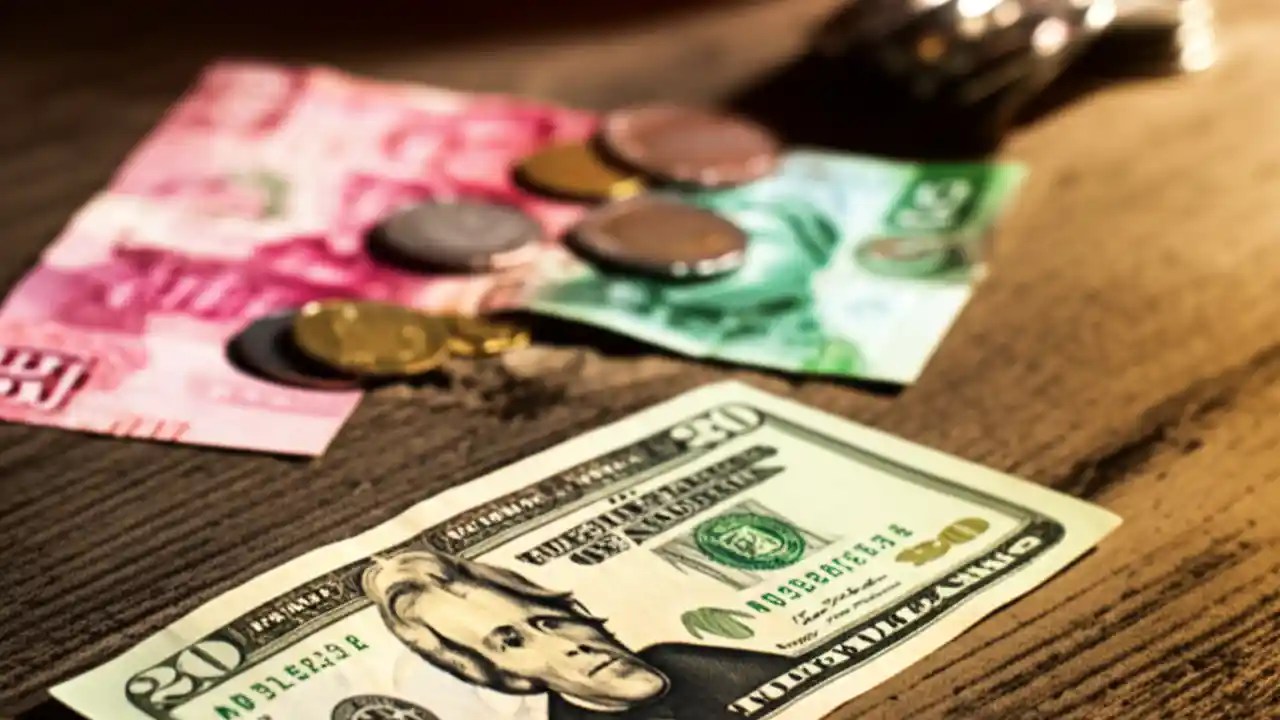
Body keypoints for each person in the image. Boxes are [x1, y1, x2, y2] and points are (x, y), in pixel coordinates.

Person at [363, 550, 796, 719]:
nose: (570, 646)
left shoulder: (683, 659)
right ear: (501, 675)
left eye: (550, 622)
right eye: (511, 642)